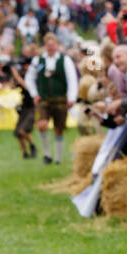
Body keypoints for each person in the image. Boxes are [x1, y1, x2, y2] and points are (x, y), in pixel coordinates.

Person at [26, 31, 78, 165]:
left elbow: (72, 79)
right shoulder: (38, 60)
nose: (50, 47)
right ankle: (47, 155)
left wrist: (71, 97)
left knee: (58, 129)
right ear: (44, 46)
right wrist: (34, 93)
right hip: (44, 99)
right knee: (42, 125)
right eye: (48, 45)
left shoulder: (65, 60)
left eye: (53, 44)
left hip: (60, 99)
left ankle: (58, 158)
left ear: (57, 45)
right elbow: (29, 78)